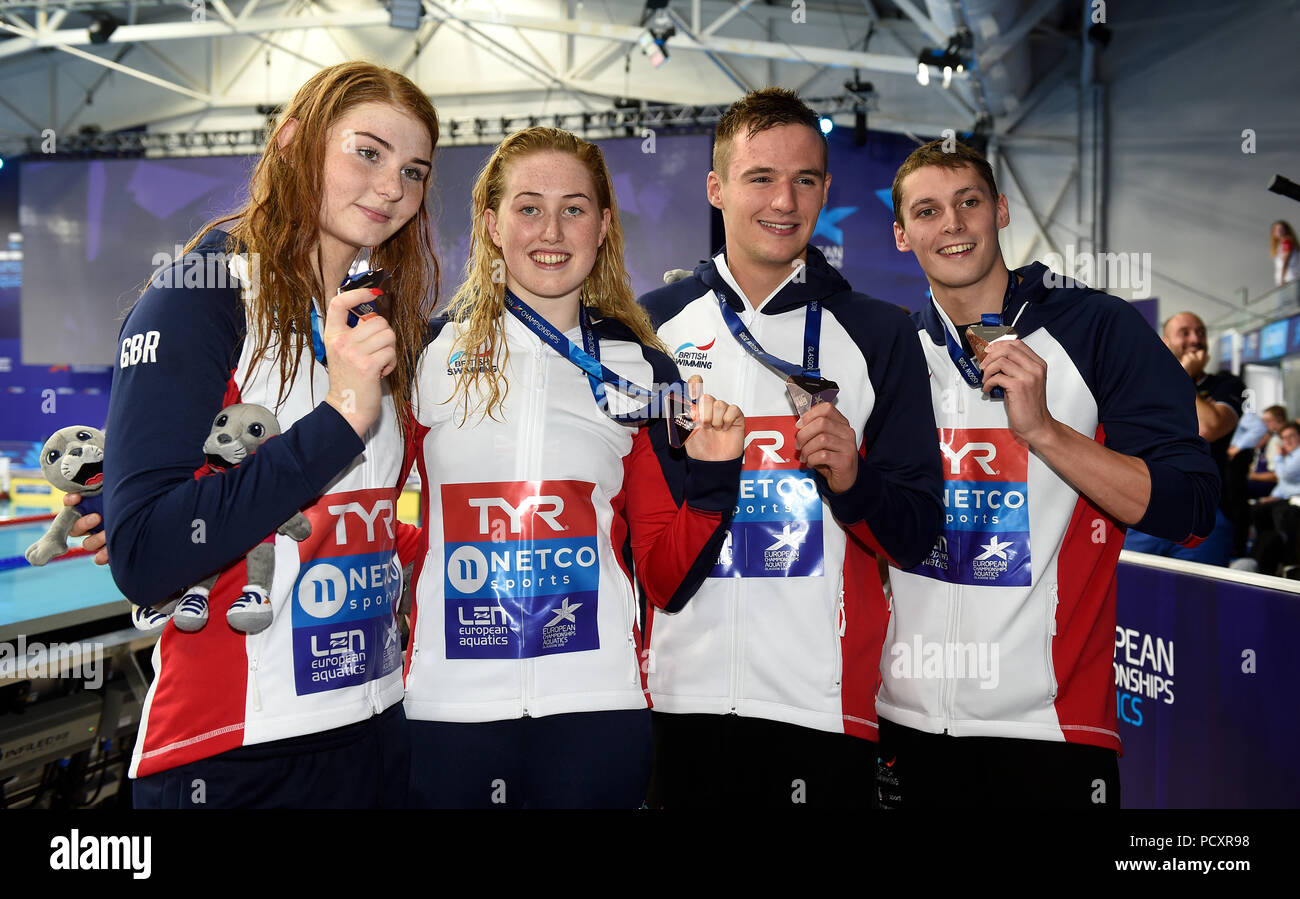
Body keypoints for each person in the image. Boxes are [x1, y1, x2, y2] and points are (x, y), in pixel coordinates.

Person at [103, 62, 439, 808]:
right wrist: (338, 422)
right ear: (293, 143)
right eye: (368, 152)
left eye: (413, 170)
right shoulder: (202, 297)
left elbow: (359, 523)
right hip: (237, 754)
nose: (392, 187)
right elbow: (145, 553)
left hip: (378, 724)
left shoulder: (377, 319)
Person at [402, 127, 746, 809]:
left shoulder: (643, 370)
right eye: (528, 207)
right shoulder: (423, 355)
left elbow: (665, 579)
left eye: (575, 208)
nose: (550, 230)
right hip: (448, 713)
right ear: (492, 223)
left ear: (604, 225)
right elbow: (380, 519)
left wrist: (715, 478)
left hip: (596, 713)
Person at [881, 138, 1218, 808]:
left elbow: (1191, 505)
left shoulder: (1098, 327)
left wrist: (1045, 433)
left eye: (968, 202)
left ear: (1000, 210)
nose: (951, 223)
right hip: (904, 723)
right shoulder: (887, 349)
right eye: (927, 211)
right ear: (900, 234)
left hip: (1049, 732)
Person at [638, 88, 944, 808]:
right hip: (674, 700)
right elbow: (626, 530)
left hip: (822, 708)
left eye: (806, 180)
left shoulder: (882, 333)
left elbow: (917, 532)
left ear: (827, 189)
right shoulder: (649, 330)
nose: (785, 200)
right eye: (760, 178)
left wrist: (854, 479)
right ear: (716, 189)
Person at [1123, 312, 1242, 565]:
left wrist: (1181, 377)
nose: (1195, 339)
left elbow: (1207, 427)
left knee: (1200, 600)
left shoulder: (1227, 384)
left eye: (1201, 332)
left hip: (1204, 512)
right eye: (1185, 332)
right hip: (1143, 509)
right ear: (1165, 343)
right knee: (1133, 593)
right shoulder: (1140, 383)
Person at [1271, 220, 1299, 287]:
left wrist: (1282, 279)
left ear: (1286, 230)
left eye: (1281, 229)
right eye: (1276, 229)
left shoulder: (1286, 242)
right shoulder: (1281, 244)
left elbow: (1285, 261)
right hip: (1288, 279)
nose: (1278, 231)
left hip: (1289, 280)